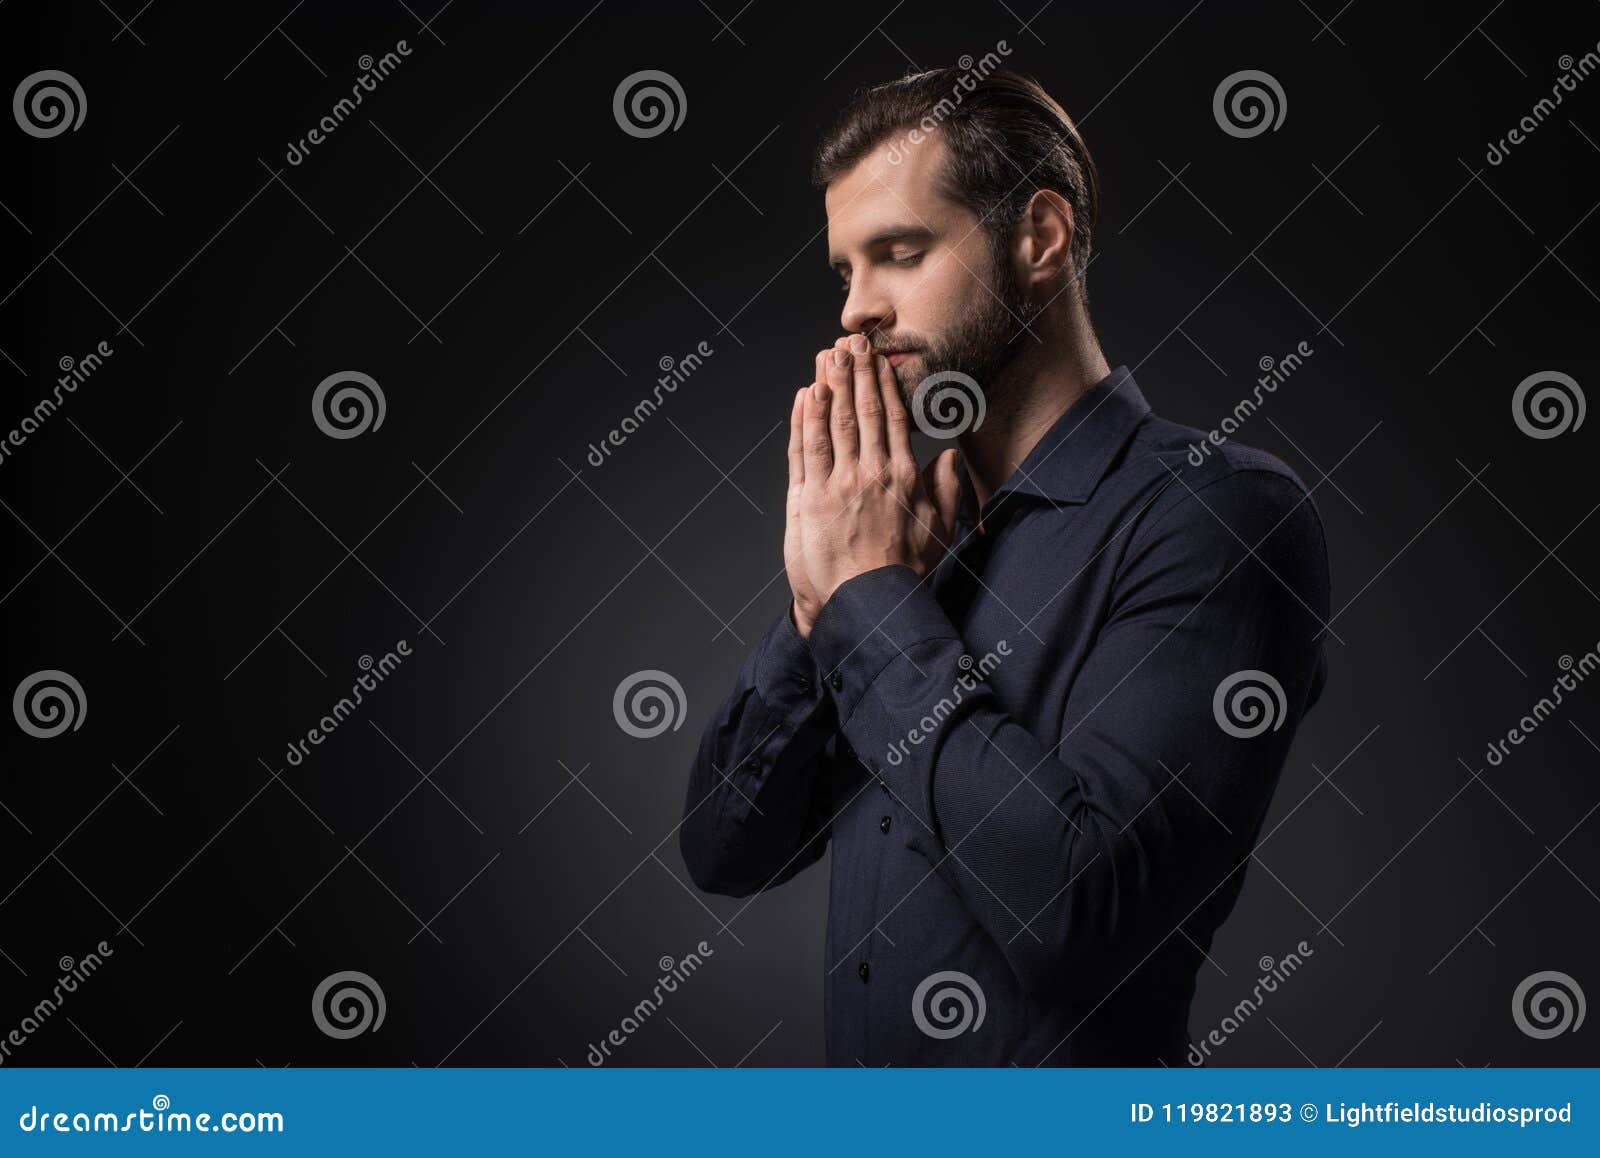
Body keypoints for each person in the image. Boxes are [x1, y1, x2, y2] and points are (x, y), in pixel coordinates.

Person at [679, 67, 1331, 1065]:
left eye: (898, 254)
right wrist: (822, 603)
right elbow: (724, 848)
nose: (856, 310)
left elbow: (1084, 913)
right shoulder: (902, 539)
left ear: (1038, 240)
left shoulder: (1219, 515)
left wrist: (870, 601)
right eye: (844, 273)